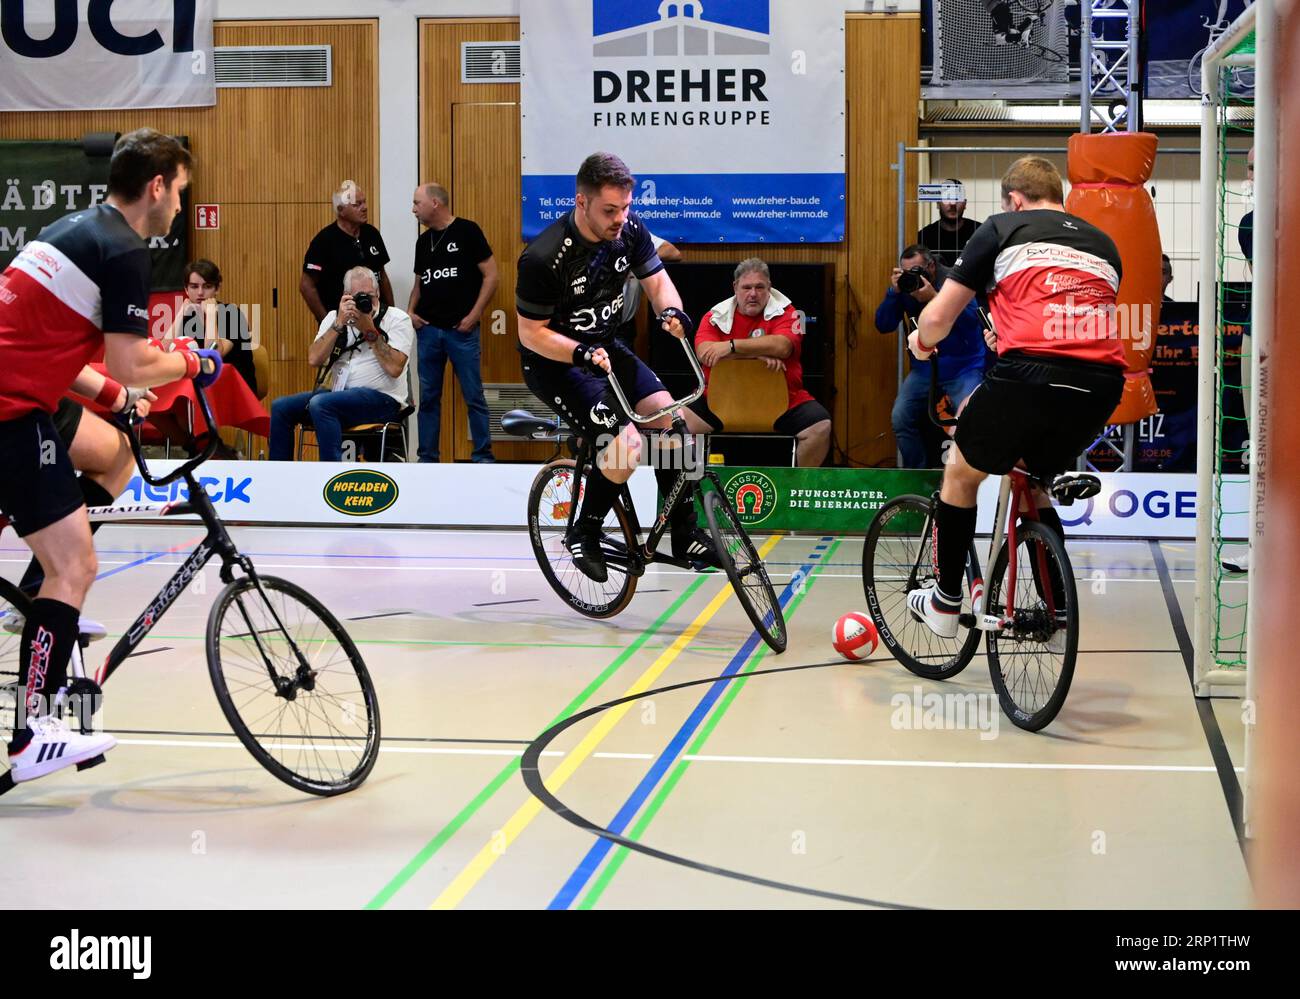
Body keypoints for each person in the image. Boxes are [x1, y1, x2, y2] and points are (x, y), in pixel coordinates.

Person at [0, 128, 220, 784]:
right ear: (156, 186)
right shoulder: (123, 248)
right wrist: (194, 361)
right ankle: (33, 730)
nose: (179, 205)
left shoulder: (73, 228)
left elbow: (50, 347)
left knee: (113, 451)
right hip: (11, 410)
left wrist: (115, 396)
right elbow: (133, 360)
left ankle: (42, 597)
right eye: (179, 191)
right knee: (77, 564)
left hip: (26, 390)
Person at [903, 156, 1125, 644]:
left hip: (1029, 375)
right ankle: (1058, 610)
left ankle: (944, 602)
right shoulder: (1104, 244)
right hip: (1103, 385)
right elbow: (1068, 315)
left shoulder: (1001, 228)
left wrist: (920, 342)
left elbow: (938, 317)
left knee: (961, 472)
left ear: (1015, 200)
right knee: (1032, 479)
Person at [516, 151, 714, 581]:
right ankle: (584, 533)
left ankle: (684, 531)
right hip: (557, 363)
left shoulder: (630, 231)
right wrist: (579, 354)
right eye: (610, 210)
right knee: (626, 444)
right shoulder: (544, 257)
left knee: (671, 420)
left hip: (606, 347)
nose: (620, 218)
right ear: (581, 202)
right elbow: (530, 334)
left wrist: (671, 312)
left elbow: (657, 282)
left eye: (625, 207)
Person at [692, 258, 832, 468]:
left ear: (769, 288)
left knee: (820, 426)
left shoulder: (792, 314)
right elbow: (705, 353)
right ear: (735, 287)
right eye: (746, 287)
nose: (753, 294)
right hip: (719, 401)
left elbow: (783, 346)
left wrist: (730, 347)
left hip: (784, 403)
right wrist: (758, 354)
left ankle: (799, 486)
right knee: (672, 426)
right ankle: (687, 487)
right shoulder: (714, 316)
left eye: (759, 287)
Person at [270, 267, 413, 462]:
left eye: (370, 296)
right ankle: (280, 474)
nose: (365, 302)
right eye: (358, 297)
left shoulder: (397, 318)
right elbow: (314, 359)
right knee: (281, 407)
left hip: (383, 399)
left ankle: (332, 474)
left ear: (378, 293)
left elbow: (395, 368)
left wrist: (368, 330)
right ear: (346, 296)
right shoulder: (334, 318)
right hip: (339, 395)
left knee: (321, 404)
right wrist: (338, 324)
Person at [876, 244, 989, 467]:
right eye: (906, 272)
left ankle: (967, 476)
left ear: (931, 266)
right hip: (925, 369)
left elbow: (972, 322)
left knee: (971, 421)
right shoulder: (907, 287)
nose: (913, 276)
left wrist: (935, 298)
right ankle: (916, 473)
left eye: (916, 271)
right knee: (901, 417)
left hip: (964, 367)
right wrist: (894, 293)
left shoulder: (955, 281)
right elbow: (883, 324)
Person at [407, 183, 497, 463]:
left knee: (474, 396)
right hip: (429, 331)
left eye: (417, 203)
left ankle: (483, 457)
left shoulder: (467, 231)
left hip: (461, 332)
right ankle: (427, 458)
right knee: (428, 398)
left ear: (435, 203)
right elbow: (419, 283)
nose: (413, 209)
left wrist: (474, 315)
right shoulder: (423, 241)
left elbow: (491, 276)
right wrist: (410, 311)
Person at [300, 180, 393, 321]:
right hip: (343, 321)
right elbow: (306, 286)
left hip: (376, 318)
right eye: (357, 204)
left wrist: (391, 313)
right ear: (341, 210)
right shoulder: (324, 241)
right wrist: (327, 321)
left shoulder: (372, 234)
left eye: (364, 202)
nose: (365, 207)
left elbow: (382, 276)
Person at [616, 231, 681, 346]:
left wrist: (639, 259)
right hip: (591, 327)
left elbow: (673, 252)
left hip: (623, 328)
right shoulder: (588, 235)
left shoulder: (632, 231)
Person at [918, 179, 981, 268]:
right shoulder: (924, 236)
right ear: (938, 203)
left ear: (965, 204)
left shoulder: (979, 232)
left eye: (957, 198)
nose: (953, 203)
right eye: (947, 198)